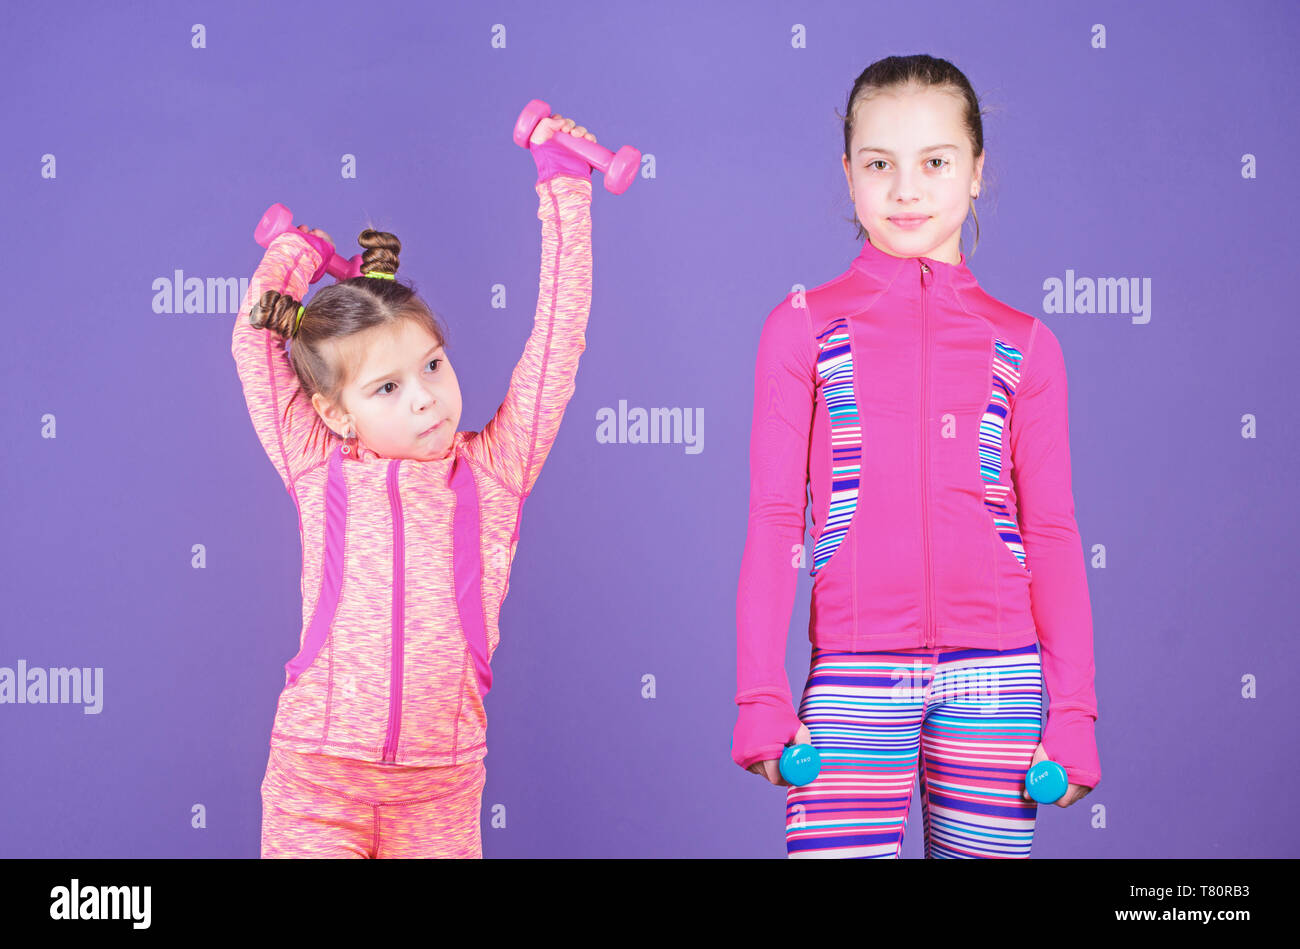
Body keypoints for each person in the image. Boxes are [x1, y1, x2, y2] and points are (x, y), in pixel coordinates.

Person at [732, 54, 1100, 858]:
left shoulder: (1027, 345)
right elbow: (771, 519)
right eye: (879, 164)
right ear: (848, 174)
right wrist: (760, 692)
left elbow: (1056, 534)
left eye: (935, 162)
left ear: (976, 172)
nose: (906, 189)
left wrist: (1073, 711)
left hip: (999, 679)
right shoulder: (799, 330)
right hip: (857, 675)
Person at [233, 114, 597, 858]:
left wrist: (564, 185)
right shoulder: (315, 463)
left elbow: (558, 339)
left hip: (438, 793)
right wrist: (294, 254)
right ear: (335, 412)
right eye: (389, 387)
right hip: (315, 780)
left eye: (432, 365)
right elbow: (253, 340)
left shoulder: (494, 470)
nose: (426, 397)